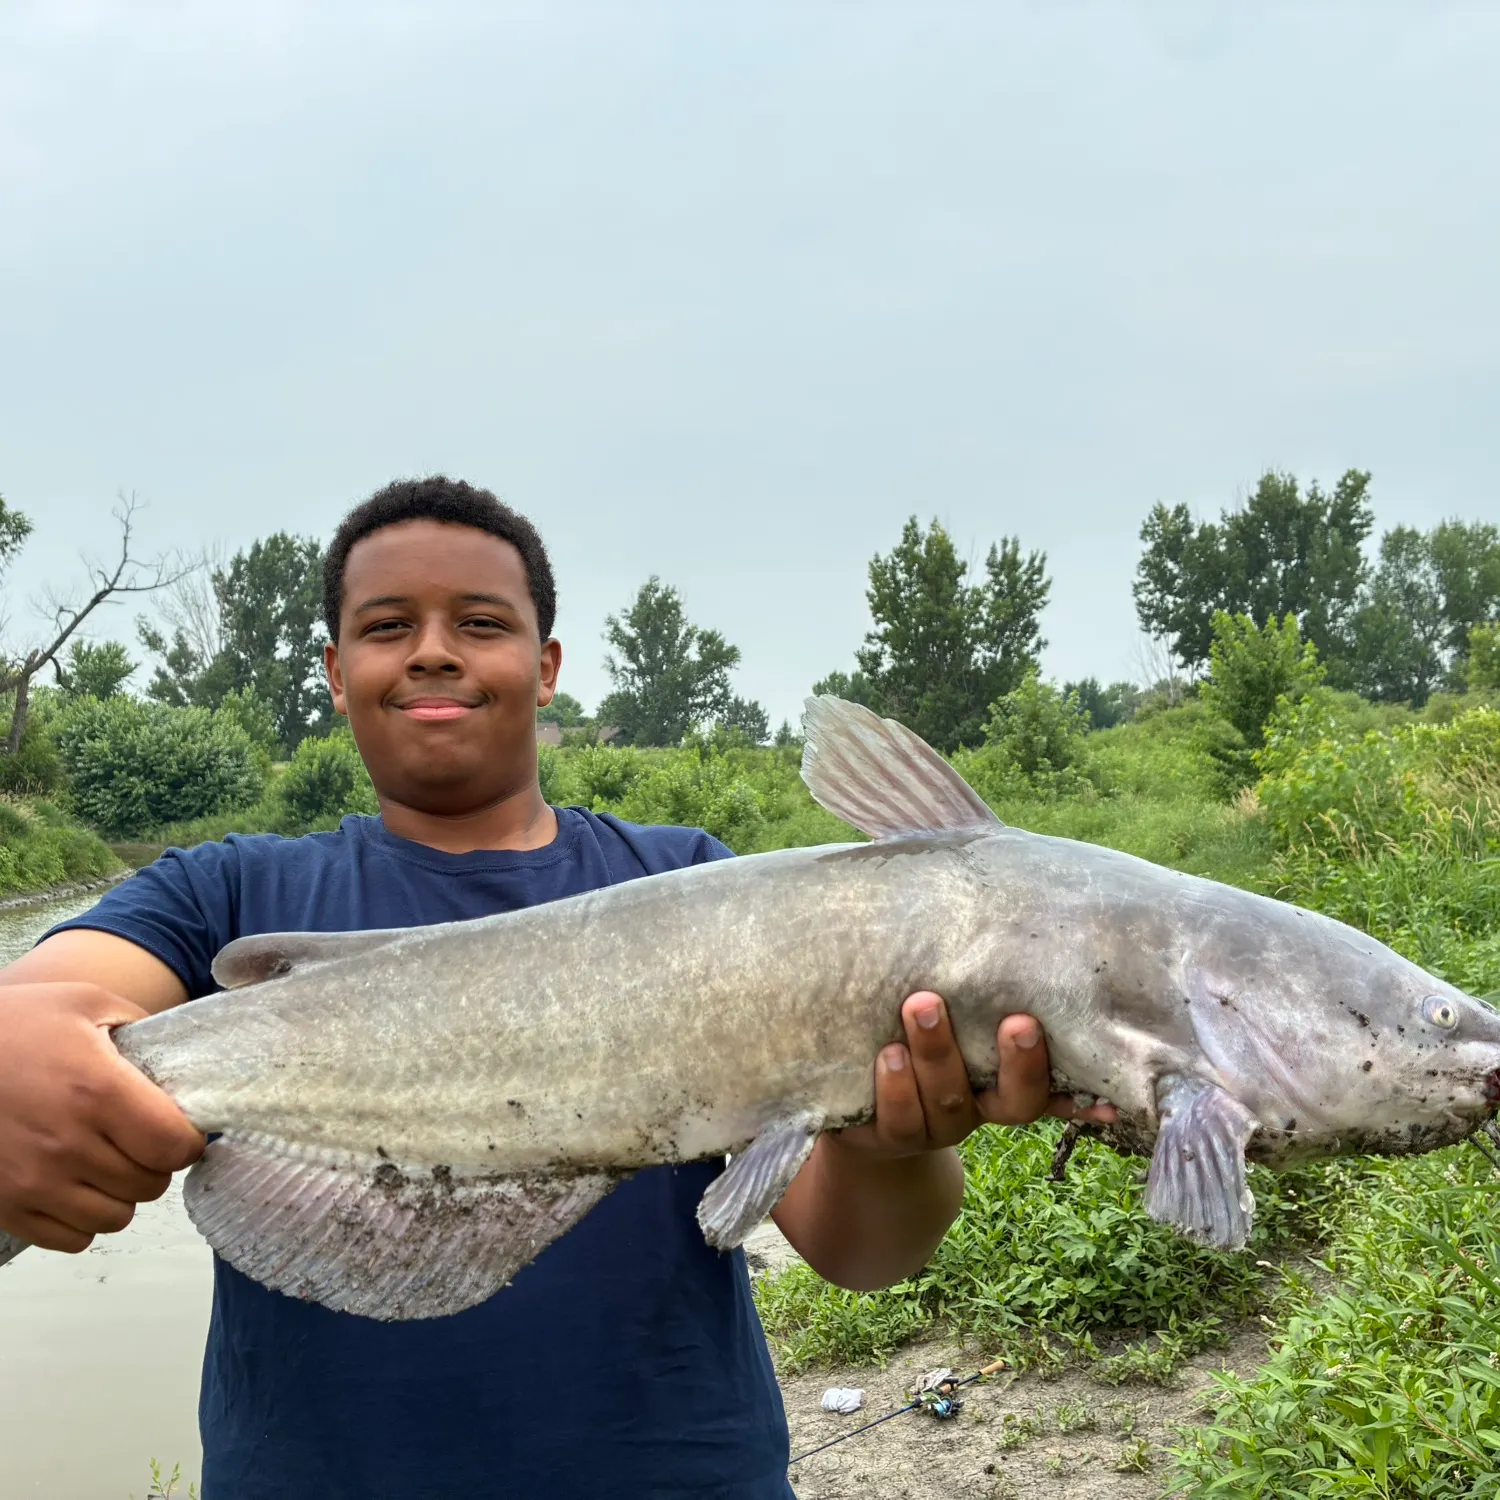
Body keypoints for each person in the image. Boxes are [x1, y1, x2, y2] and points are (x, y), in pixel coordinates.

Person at [0, 476, 1114, 1498]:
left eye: (481, 623)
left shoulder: (695, 884)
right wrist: (34, 1047)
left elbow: (864, 1255)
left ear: (546, 666)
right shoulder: (223, 893)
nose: (434, 652)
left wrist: (889, 1142)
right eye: (389, 626)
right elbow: (53, 1000)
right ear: (337, 673)